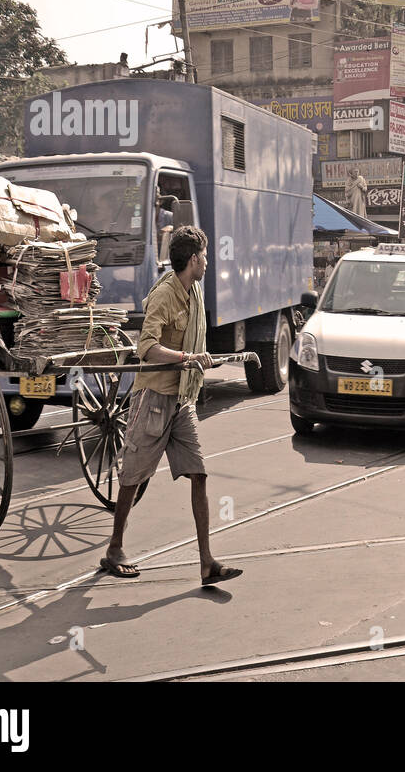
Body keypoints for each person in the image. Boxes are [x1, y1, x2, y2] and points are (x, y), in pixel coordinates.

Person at [99, 226, 243, 588]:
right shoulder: (165, 295)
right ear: (193, 260)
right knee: (133, 478)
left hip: (183, 400)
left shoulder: (193, 290)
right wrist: (188, 356)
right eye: (205, 256)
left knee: (199, 474)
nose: (207, 262)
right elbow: (146, 347)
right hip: (154, 399)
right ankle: (114, 548)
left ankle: (207, 562)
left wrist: (197, 361)